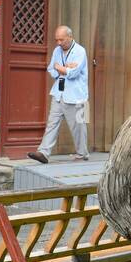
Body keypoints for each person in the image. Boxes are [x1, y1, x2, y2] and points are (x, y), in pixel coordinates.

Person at [27, 25, 89, 163]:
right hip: (58, 93)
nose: (59, 43)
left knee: (79, 126)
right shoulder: (57, 50)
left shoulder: (80, 51)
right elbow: (51, 69)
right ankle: (43, 152)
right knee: (52, 123)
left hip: (77, 96)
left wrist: (62, 68)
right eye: (57, 40)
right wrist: (63, 68)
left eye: (62, 40)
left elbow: (74, 73)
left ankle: (82, 154)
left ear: (70, 37)